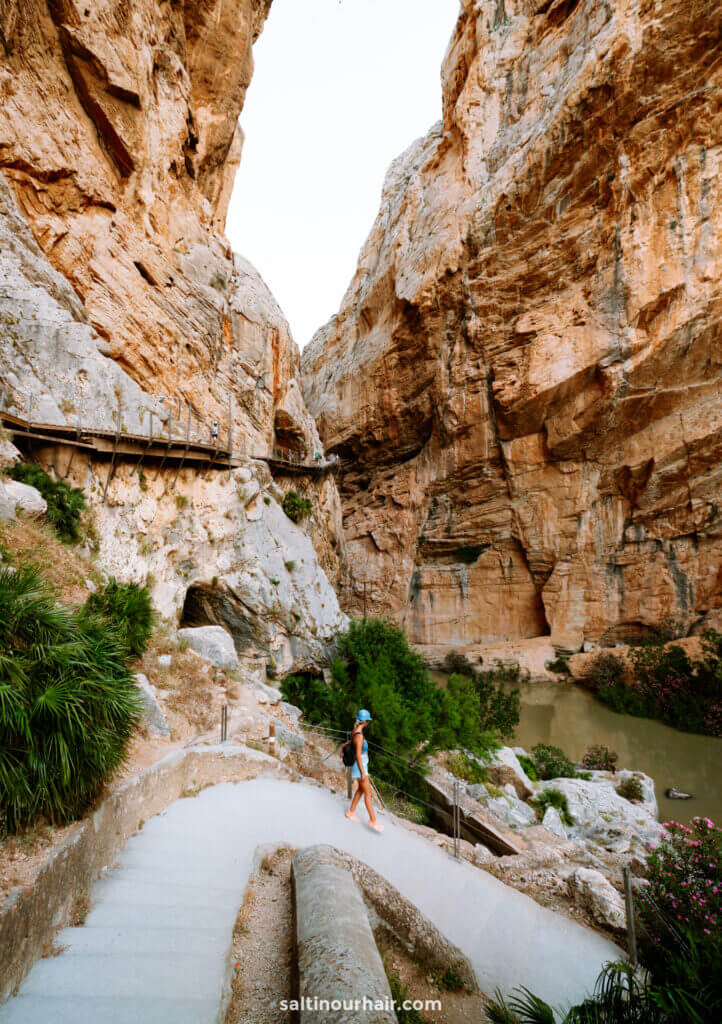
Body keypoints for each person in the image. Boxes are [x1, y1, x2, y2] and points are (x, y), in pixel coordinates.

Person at [345, 710, 383, 832]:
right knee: (368, 792)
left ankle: (351, 811)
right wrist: (363, 772)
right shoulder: (359, 737)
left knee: (361, 790)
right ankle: (373, 820)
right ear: (366, 722)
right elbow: (358, 754)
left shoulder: (355, 732)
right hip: (360, 766)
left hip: (361, 765)